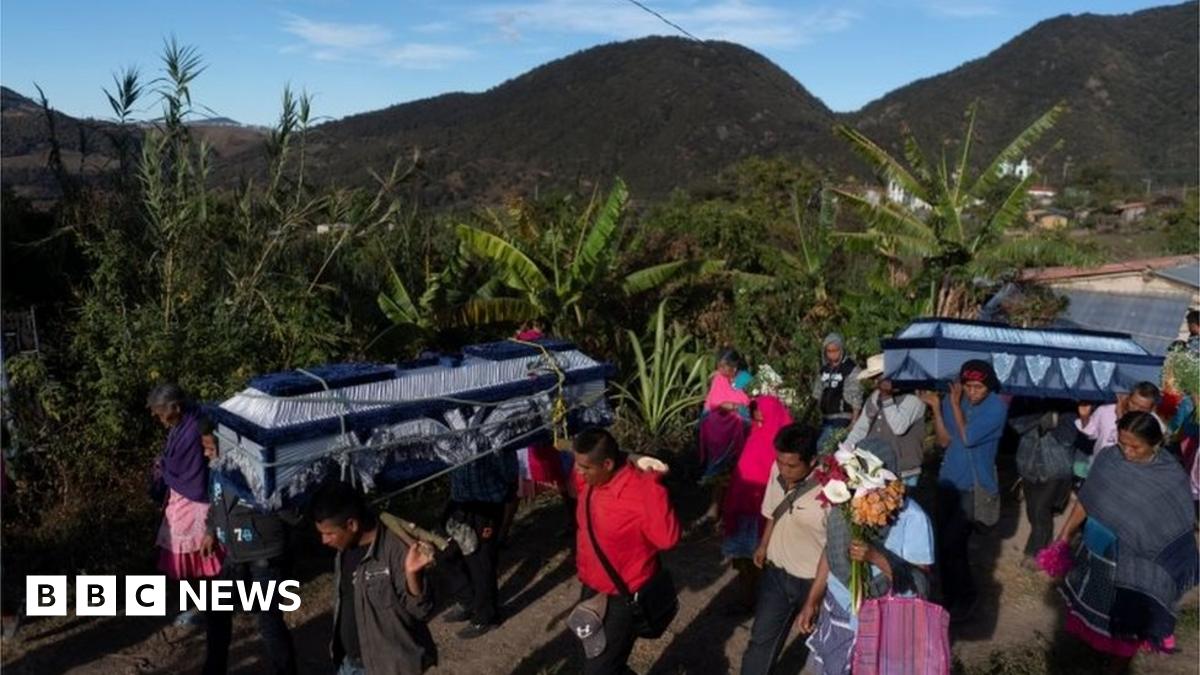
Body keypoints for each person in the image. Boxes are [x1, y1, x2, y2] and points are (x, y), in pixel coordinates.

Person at [1055, 412, 1199, 674]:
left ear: (1155, 443)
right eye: (1123, 443)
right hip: (1100, 554)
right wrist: (1065, 534)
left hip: (1138, 564)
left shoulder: (1170, 476)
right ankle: (1099, 653)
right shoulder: (1109, 459)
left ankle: (1119, 665)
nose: (1128, 452)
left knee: (1128, 620)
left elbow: (1178, 524)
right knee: (1099, 610)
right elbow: (1087, 499)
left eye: (1136, 446)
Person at [799, 438, 935, 675]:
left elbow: (920, 584)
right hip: (839, 610)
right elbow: (830, 552)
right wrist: (813, 599)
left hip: (884, 618)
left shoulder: (913, 518)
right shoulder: (846, 503)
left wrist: (877, 557)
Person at [572, 428, 680, 675]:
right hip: (592, 585)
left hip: (623, 594)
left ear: (607, 464)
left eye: (585, 468)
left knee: (599, 669)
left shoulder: (641, 492)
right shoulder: (589, 479)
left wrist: (654, 486)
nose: (578, 472)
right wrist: (632, 456)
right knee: (588, 655)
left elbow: (668, 539)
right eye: (578, 465)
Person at [198, 419, 298, 675]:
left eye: (210, 448)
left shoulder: (258, 471)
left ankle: (284, 671)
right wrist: (211, 530)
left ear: (228, 444)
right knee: (217, 611)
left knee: (268, 621)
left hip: (264, 554)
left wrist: (267, 498)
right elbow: (216, 502)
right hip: (235, 553)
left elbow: (291, 513)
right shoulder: (219, 470)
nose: (207, 454)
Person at [313, 481, 437, 675]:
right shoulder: (343, 551)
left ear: (352, 524)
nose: (324, 540)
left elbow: (422, 611)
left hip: (388, 668)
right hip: (349, 665)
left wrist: (413, 575)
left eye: (329, 533)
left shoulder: (397, 549)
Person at [918, 360, 1007, 623]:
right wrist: (937, 408)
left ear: (989, 386)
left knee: (953, 544)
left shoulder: (996, 408)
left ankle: (966, 597)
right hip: (949, 481)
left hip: (972, 486)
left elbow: (967, 437)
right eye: (968, 386)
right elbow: (945, 440)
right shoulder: (952, 400)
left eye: (978, 387)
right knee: (943, 547)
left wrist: (955, 404)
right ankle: (949, 598)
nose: (972, 392)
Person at [739, 424, 826, 675]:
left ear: (812, 461)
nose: (784, 470)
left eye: (792, 466)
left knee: (820, 649)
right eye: (780, 462)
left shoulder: (832, 489)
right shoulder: (776, 471)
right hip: (776, 574)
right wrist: (764, 545)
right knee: (760, 642)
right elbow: (772, 511)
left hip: (812, 581)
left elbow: (832, 548)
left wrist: (813, 600)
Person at [148, 383, 223, 626]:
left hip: (194, 500)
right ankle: (197, 604)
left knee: (200, 557)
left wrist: (164, 468)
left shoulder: (192, 430)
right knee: (185, 558)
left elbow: (190, 471)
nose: (157, 417)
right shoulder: (181, 425)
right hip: (180, 498)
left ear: (176, 408)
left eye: (160, 412)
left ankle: (206, 607)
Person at [721, 396, 793, 611]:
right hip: (746, 505)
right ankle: (748, 598)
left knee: (760, 558)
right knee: (744, 559)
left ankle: (756, 600)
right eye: (754, 409)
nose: (755, 412)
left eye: (758, 408)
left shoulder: (778, 441)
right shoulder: (755, 433)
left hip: (763, 509)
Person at [442, 449, 519, 638]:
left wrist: (500, 507)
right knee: (447, 552)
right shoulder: (452, 429)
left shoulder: (492, 434)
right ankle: (469, 600)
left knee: (480, 561)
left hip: (487, 504)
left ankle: (486, 617)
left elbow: (509, 471)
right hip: (459, 501)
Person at [1008, 402, 1078, 569]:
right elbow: (1016, 424)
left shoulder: (1069, 406)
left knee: (1041, 510)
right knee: (1032, 511)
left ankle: (1035, 553)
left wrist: (1054, 421)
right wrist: (1041, 417)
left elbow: (1068, 437)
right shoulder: (1025, 399)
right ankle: (1043, 546)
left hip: (1055, 468)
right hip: (1028, 465)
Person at [843, 354, 927, 487]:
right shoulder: (875, 397)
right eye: (874, 379)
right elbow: (861, 428)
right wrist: (845, 451)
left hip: (905, 472)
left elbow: (898, 427)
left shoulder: (913, 400)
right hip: (878, 470)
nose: (877, 383)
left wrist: (887, 398)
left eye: (879, 378)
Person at [697, 349, 753, 523]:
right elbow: (712, 404)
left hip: (740, 434)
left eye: (724, 366)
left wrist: (734, 407)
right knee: (719, 476)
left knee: (736, 474)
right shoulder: (719, 379)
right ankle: (714, 510)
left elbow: (750, 406)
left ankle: (730, 513)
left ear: (734, 367)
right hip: (719, 435)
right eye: (719, 365)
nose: (720, 369)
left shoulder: (744, 379)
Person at [1076, 382, 1164, 478]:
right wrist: (1085, 417)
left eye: (1142, 408)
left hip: (1129, 474)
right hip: (1099, 467)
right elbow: (1092, 433)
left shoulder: (1155, 424)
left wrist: (1120, 418)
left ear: (1152, 409)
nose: (1135, 409)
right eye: (1133, 403)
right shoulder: (1105, 411)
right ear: (1128, 397)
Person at [811, 333, 863, 452]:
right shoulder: (824, 369)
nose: (832, 354)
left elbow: (856, 396)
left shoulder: (850, 369)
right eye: (829, 351)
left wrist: (854, 422)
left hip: (843, 417)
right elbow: (817, 392)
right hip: (826, 417)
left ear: (841, 349)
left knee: (823, 447)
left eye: (835, 350)